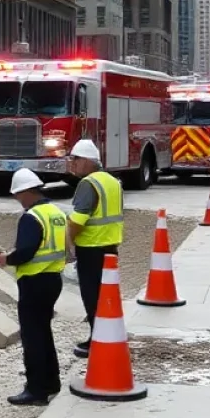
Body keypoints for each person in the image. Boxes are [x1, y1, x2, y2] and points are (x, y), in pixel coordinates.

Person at [0, 168, 67, 405]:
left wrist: (7, 259)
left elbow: (25, 252)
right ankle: (52, 382)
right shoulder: (55, 212)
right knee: (44, 333)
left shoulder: (31, 217)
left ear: (27, 191)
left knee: (33, 337)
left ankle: (36, 390)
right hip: (53, 279)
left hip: (34, 282)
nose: (17, 199)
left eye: (17, 194)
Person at [66, 138, 124, 359]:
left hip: (91, 249)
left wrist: (67, 249)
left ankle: (97, 339)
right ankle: (107, 335)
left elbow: (78, 221)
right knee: (107, 296)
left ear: (89, 161)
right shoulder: (112, 181)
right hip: (110, 247)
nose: (74, 164)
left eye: (77, 159)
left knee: (92, 298)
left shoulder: (88, 184)